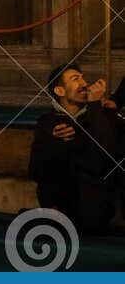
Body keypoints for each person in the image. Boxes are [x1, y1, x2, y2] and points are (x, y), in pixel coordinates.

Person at [28, 62, 121, 234]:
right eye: (75, 79)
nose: (84, 83)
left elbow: (105, 156)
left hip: (95, 208)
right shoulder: (47, 123)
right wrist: (52, 141)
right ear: (60, 91)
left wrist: (95, 107)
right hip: (61, 204)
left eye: (83, 78)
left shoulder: (102, 115)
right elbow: (35, 171)